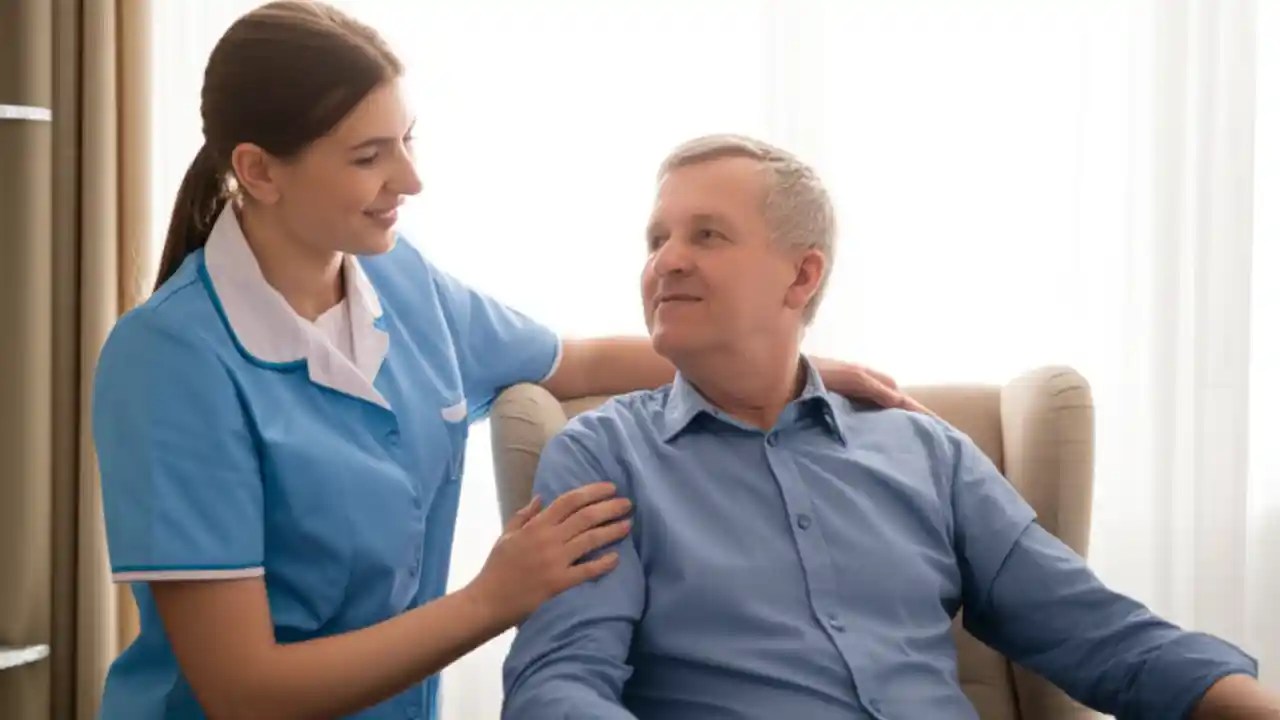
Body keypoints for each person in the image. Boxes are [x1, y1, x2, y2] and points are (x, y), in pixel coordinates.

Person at [90, 4, 921, 719]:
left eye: (407, 139)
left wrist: (790, 362)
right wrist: (495, 598)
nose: (410, 178)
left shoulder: (400, 283)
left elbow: (579, 359)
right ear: (258, 171)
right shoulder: (170, 362)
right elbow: (246, 694)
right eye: (368, 156)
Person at [501, 134, 1278, 720]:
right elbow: (559, 684)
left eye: (705, 235)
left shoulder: (925, 450)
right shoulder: (605, 456)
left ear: (801, 276)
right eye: (655, 238)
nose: (665, 261)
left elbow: (1101, 635)